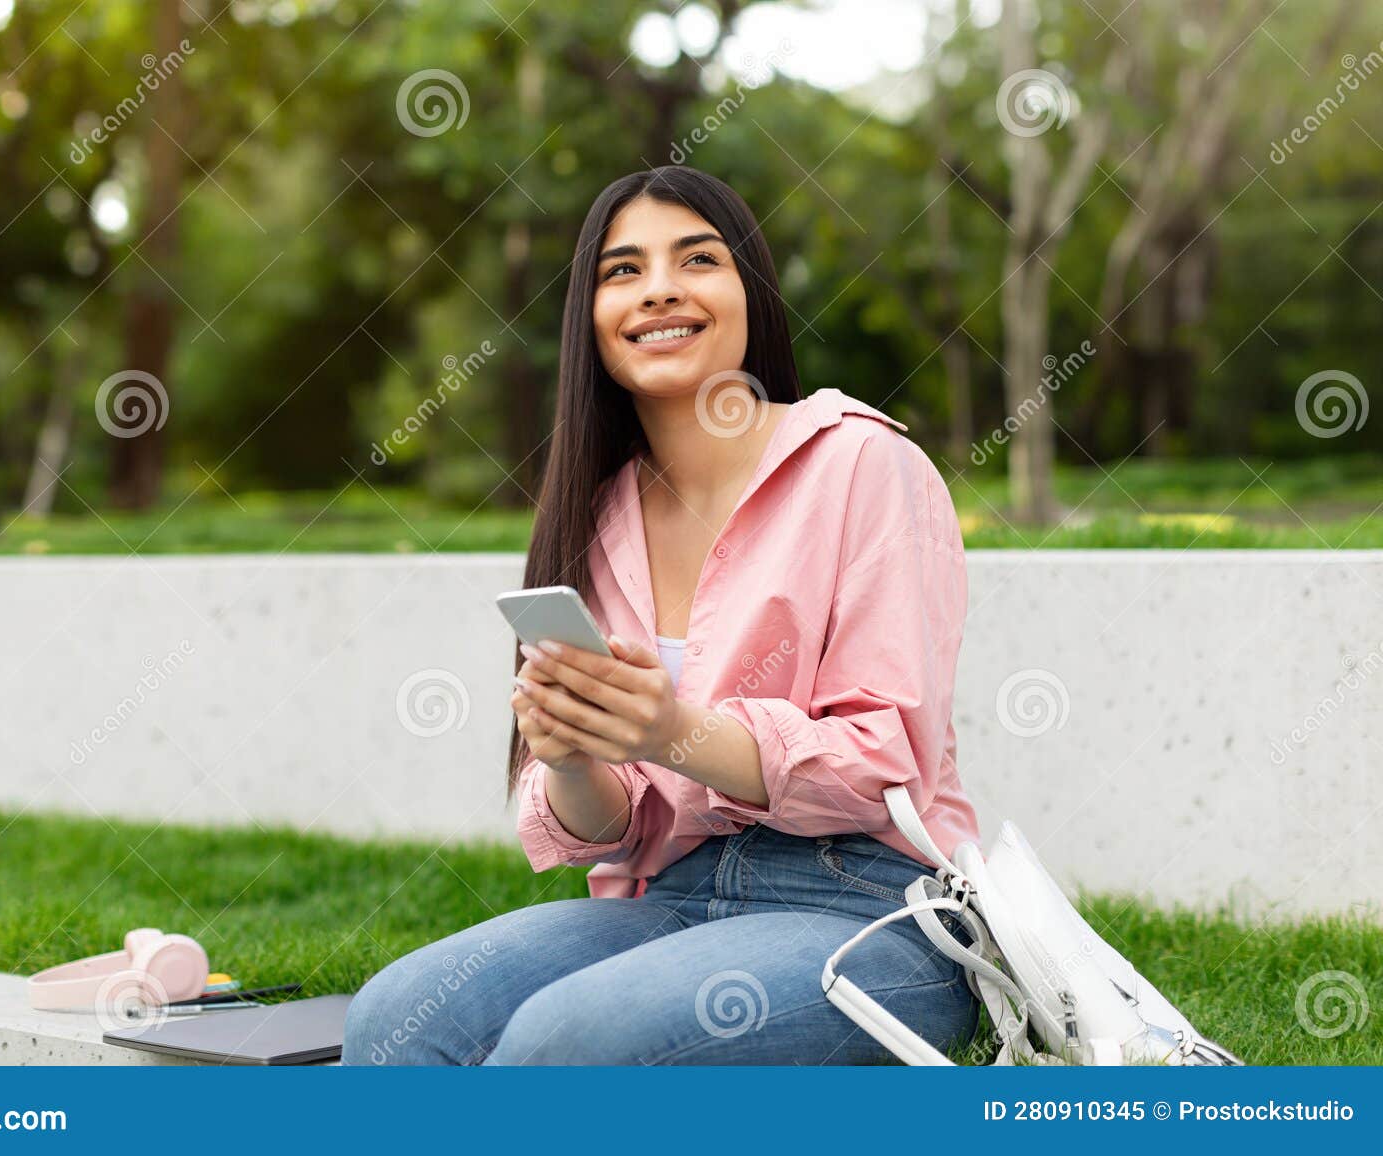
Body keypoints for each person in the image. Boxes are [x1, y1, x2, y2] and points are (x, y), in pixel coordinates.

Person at [343, 165, 982, 1065]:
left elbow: (886, 761)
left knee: (561, 1046)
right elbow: (615, 826)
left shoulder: (864, 466)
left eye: (697, 259)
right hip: (672, 898)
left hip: (871, 908)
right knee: (395, 1021)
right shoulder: (596, 514)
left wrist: (676, 731)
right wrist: (573, 755)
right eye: (622, 271)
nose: (660, 291)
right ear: (591, 321)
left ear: (749, 292)